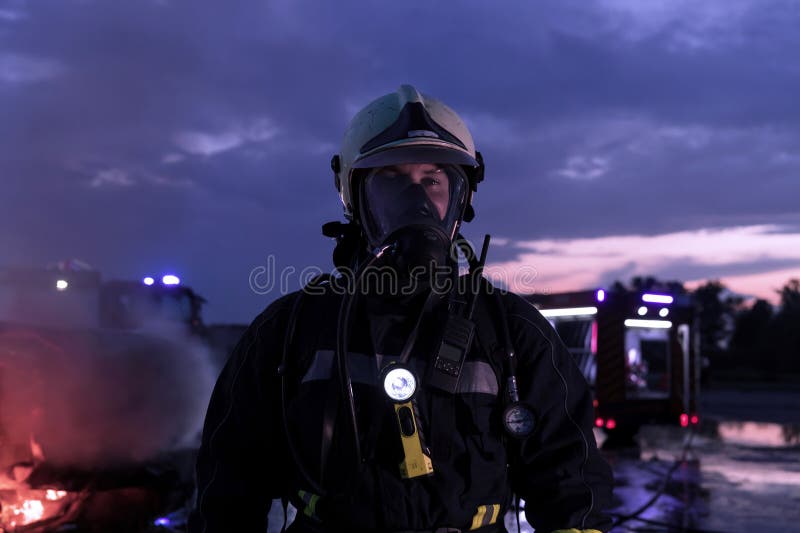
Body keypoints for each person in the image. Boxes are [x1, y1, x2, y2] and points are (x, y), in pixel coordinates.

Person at [188, 85, 614, 533]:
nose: (416, 203)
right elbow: (228, 486)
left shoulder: (512, 333)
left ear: (461, 199)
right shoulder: (290, 331)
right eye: (391, 180)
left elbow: (572, 483)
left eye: (432, 181)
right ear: (354, 197)